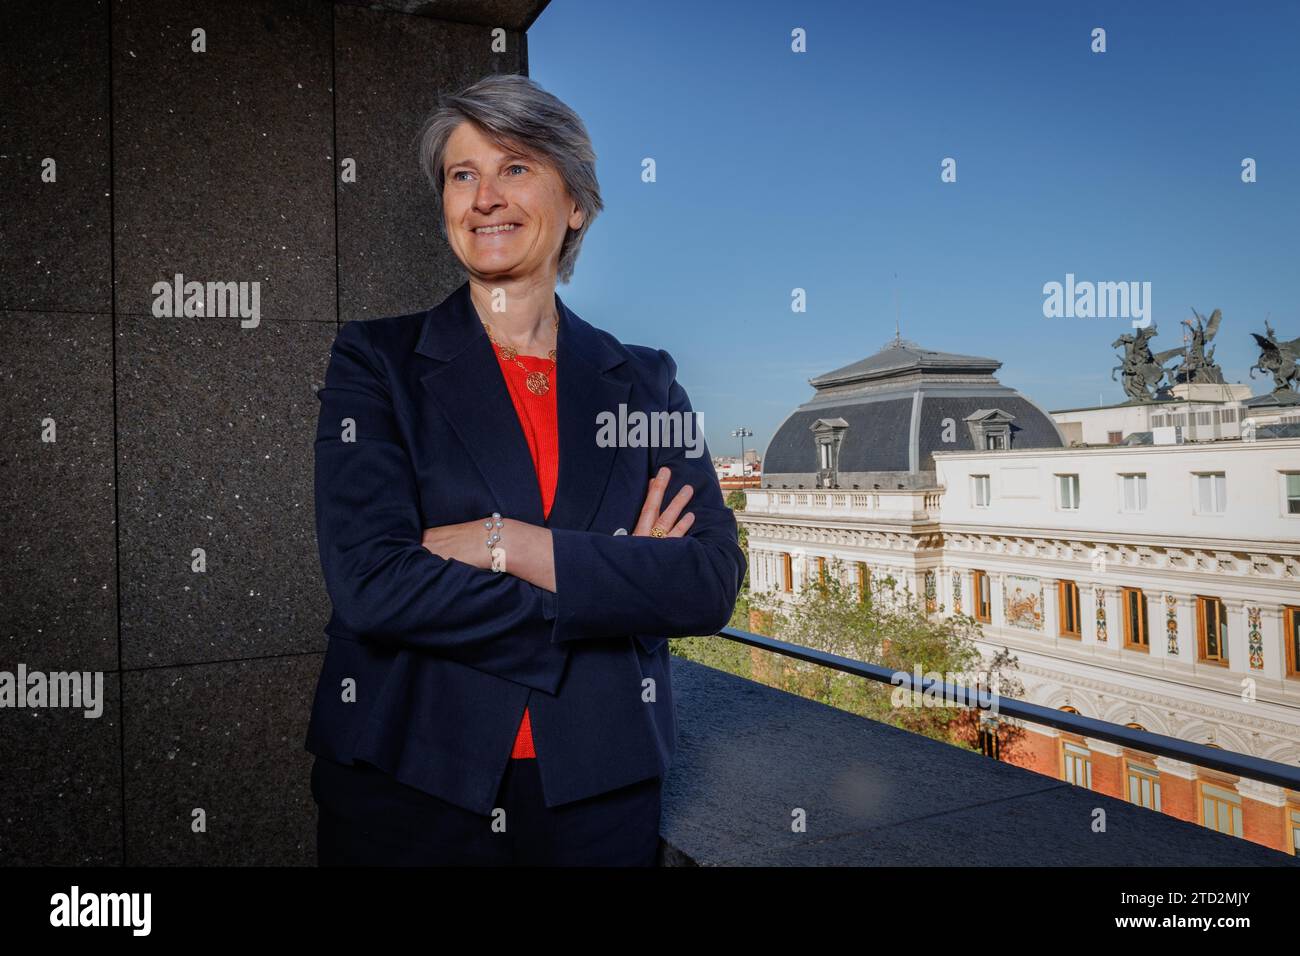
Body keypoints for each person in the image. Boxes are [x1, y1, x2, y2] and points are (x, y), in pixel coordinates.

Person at [304, 73, 746, 866]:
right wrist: (616, 591)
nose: (483, 198)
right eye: (462, 174)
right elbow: (372, 584)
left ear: (575, 203)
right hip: (410, 783)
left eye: (515, 168)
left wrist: (505, 541)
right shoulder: (375, 361)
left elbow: (709, 581)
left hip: (600, 794)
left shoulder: (644, 380)